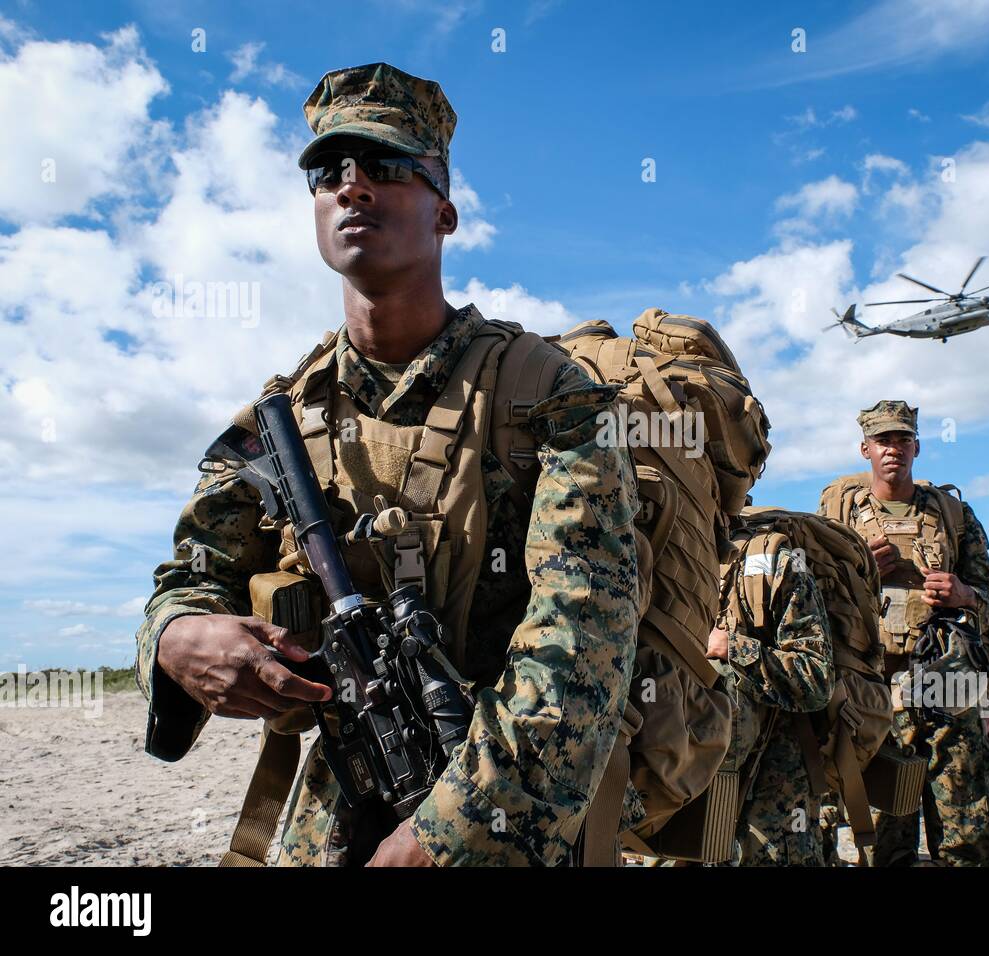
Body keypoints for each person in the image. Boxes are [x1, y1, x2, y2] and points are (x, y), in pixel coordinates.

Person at [133, 63, 641, 866]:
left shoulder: (549, 394)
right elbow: (191, 576)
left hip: (503, 799)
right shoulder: (277, 419)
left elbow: (584, 637)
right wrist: (179, 635)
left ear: (446, 212)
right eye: (328, 171)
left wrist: (448, 834)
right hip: (336, 793)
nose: (353, 187)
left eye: (389, 166)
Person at [819, 400, 989, 866]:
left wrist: (965, 593)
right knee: (886, 829)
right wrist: (860, 575)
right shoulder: (837, 513)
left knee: (966, 819)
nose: (893, 449)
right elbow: (813, 600)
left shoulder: (953, 514)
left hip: (950, 679)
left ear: (917, 446)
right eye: (883, 440)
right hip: (875, 685)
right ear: (865, 449)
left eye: (903, 439)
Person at [708, 519, 835, 866]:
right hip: (689, 777)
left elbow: (817, 678)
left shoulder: (774, 558)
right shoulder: (668, 548)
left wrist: (733, 649)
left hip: (771, 795)